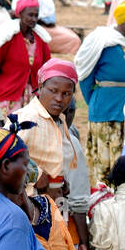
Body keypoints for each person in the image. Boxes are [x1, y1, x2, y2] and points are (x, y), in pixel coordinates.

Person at [75, 1, 125, 184]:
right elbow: (85, 76)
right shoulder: (102, 40)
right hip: (104, 113)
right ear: (120, 20)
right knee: (105, 165)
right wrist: (96, 104)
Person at [14, 58, 89, 228]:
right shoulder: (28, 118)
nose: (59, 99)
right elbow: (2, 158)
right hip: (23, 207)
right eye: (53, 91)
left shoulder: (59, 123)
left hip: (49, 207)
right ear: (40, 88)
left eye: (66, 94)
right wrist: (37, 174)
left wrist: (62, 183)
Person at [0, 0, 51, 114]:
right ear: (20, 14)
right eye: (30, 15)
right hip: (7, 99)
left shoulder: (41, 40)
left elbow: (48, 69)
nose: (34, 19)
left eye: (36, 15)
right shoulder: (6, 37)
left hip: (32, 100)